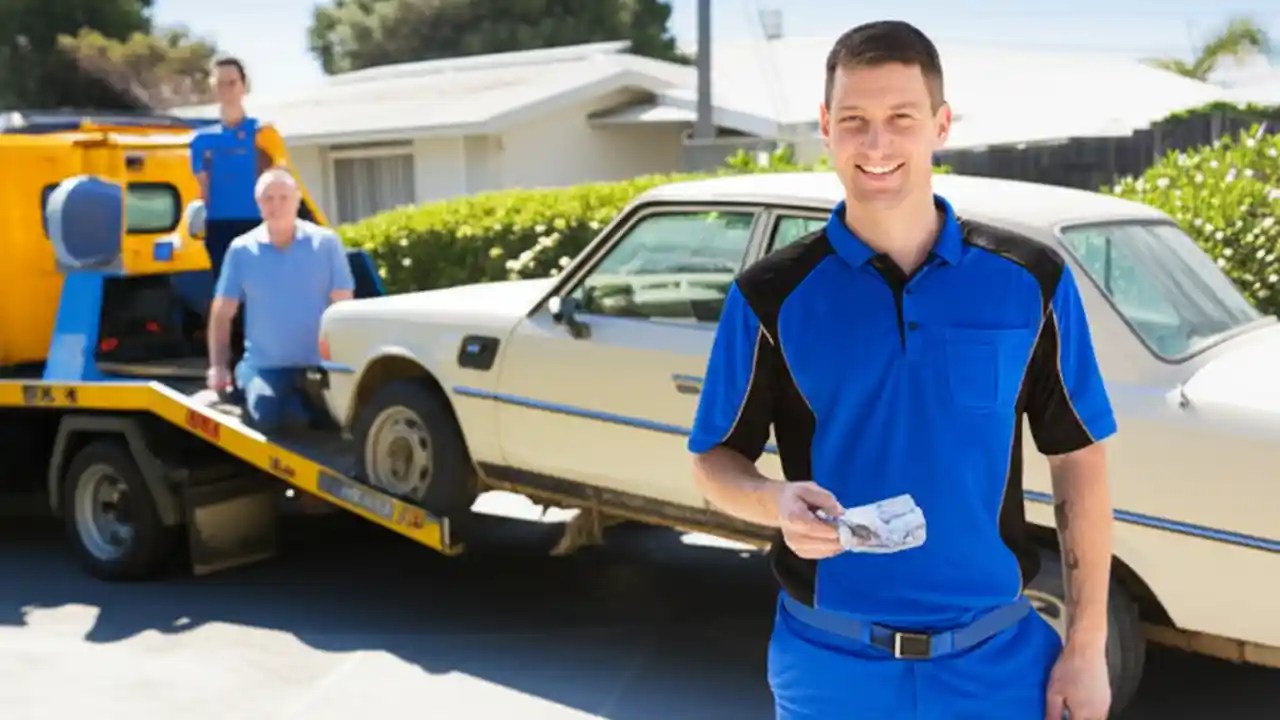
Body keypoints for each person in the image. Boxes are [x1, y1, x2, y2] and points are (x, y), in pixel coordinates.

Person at [687, 21, 1116, 720]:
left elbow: (1079, 459)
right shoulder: (770, 295)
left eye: (901, 119)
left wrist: (1087, 646)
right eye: (854, 120)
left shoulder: (1030, 281)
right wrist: (773, 501)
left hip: (995, 666)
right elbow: (714, 459)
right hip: (829, 668)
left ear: (940, 125)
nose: (877, 144)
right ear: (826, 126)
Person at [205, 167, 355, 433]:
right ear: (258, 204)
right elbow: (222, 312)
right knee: (269, 416)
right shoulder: (241, 250)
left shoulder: (326, 244)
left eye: (284, 197)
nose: (276, 205)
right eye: (268, 198)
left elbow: (343, 307)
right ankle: (249, 382)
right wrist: (218, 367)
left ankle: (302, 405)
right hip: (265, 366)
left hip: (317, 365)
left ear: (297, 200)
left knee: (331, 421)